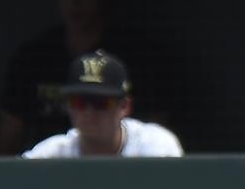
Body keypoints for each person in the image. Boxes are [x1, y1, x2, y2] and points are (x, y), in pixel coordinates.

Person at [0, 0, 168, 156]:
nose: (74, 1)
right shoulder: (34, 57)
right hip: (57, 179)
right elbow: (9, 138)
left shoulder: (138, 54)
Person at [22, 50, 183, 158]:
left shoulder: (155, 147)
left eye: (101, 103)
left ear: (124, 106)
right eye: (79, 102)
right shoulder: (51, 155)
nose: (89, 112)